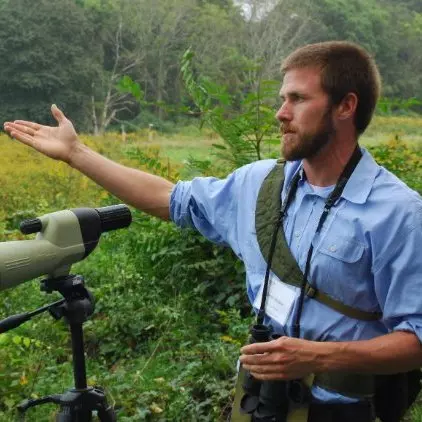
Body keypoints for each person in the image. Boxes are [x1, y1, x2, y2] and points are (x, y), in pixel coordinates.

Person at [4, 41, 422, 422]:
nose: (281, 112)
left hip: (346, 411)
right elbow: (171, 200)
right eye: (282, 98)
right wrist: (77, 155)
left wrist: (319, 357)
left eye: (298, 99)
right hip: (260, 399)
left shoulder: (398, 213)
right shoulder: (258, 185)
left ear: (345, 106)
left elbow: (416, 339)